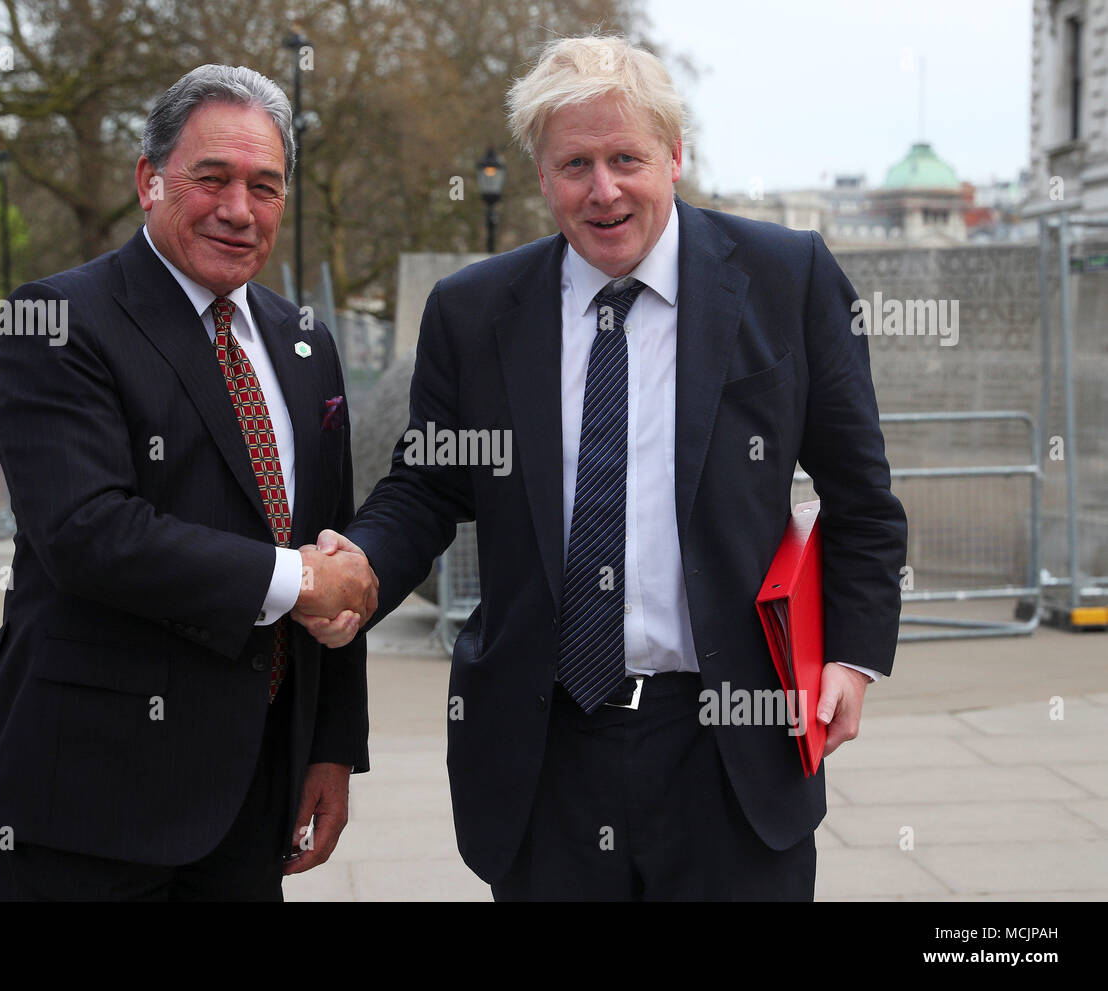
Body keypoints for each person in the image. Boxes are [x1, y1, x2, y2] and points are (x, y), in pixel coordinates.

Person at [305, 36, 907, 900]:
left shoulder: (787, 277)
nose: (604, 189)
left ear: (674, 155)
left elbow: (862, 495)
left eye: (626, 157)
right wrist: (358, 568)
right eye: (575, 163)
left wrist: (851, 657)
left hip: (732, 742)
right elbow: (431, 485)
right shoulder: (473, 312)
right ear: (542, 178)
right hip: (545, 752)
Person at [0, 64, 378, 901]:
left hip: (253, 794)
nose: (238, 209)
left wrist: (331, 745)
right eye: (210, 178)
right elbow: (89, 533)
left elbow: (333, 538)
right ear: (149, 180)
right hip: (90, 792)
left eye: (265, 185)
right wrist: (296, 580)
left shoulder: (304, 341)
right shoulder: (59, 322)